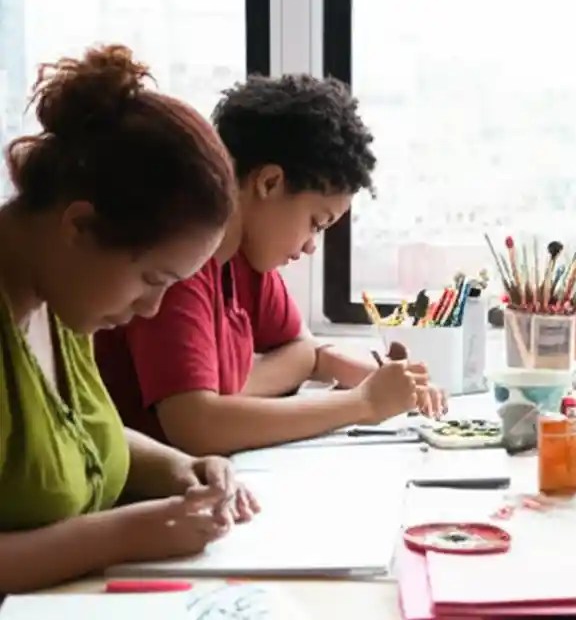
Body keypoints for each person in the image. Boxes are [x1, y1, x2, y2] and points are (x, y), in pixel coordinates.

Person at [0, 45, 258, 592]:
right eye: (151, 280)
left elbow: (65, 440)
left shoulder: (62, 298)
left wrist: (179, 468)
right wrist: (124, 535)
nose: (152, 308)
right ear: (79, 227)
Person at [95, 75, 446, 457]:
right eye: (316, 222)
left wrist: (369, 379)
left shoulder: (245, 262)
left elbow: (305, 351)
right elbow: (195, 425)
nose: (312, 245)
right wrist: (364, 403)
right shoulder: (181, 263)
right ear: (270, 182)